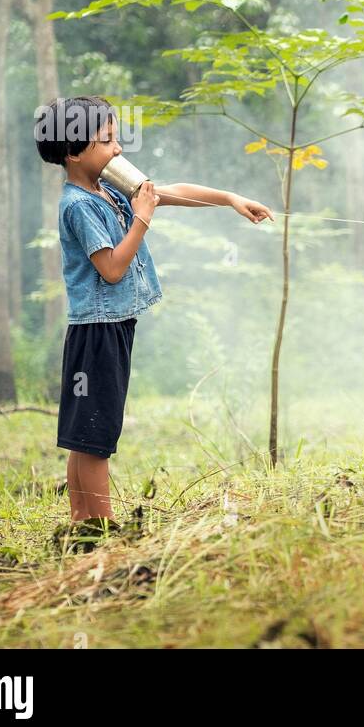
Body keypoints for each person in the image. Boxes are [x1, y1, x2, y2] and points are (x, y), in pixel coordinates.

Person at [35, 96, 273, 545]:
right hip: (97, 329)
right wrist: (141, 221)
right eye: (106, 140)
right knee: (95, 435)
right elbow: (111, 269)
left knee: (87, 431)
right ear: (73, 152)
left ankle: (81, 525)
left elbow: (169, 190)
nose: (119, 148)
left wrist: (229, 199)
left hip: (112, 326)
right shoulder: (79, 205)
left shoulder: (107, 187)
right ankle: (99, 531)